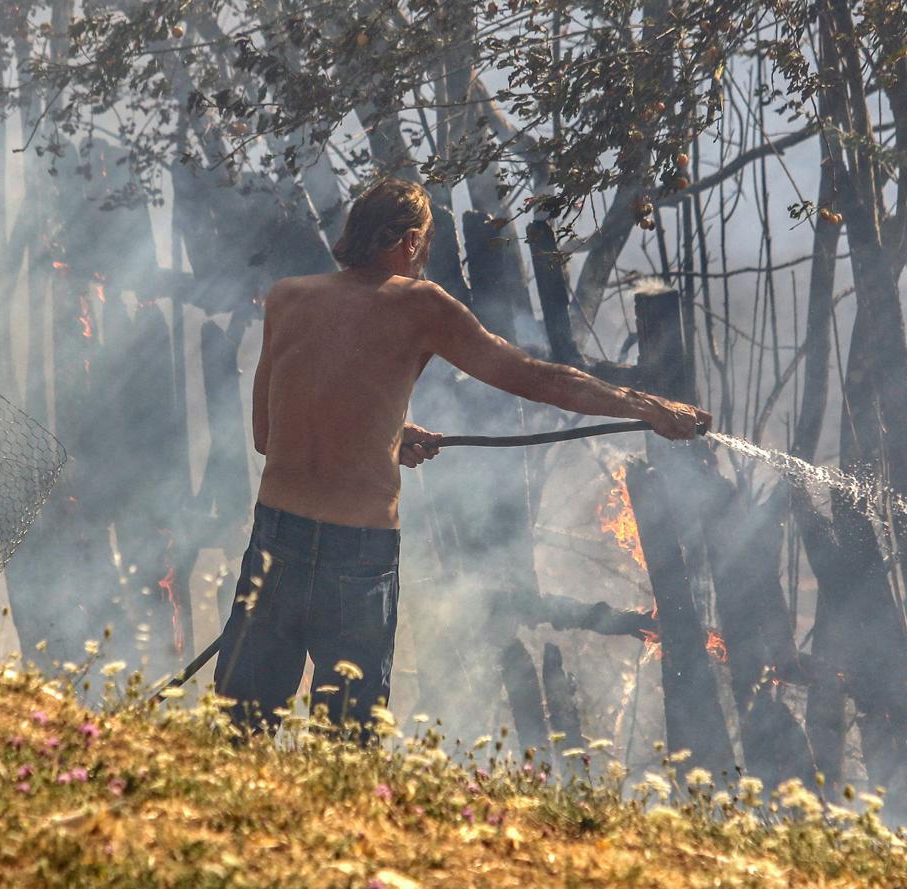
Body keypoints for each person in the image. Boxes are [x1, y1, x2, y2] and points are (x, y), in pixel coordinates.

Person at [213, 178, 710, 737]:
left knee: (239, 730)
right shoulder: (421, 304)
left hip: (277, 536)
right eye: (422, 246)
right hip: (356, 551)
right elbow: (533, 377)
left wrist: (385, 435)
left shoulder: (286, 297)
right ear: (409, 241)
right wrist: (646, 407)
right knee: (348, 743)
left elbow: (269, 435)